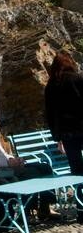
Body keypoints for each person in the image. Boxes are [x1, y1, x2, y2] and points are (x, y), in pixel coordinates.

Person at [45, 51, 83, 221]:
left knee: (77, 171)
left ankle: (82, 210)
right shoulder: (78, 79)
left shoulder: (51, 86)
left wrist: (57, 137)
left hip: (67, 135)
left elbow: (50, 114)